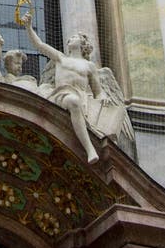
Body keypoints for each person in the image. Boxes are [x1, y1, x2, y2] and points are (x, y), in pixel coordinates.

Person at [23, 14, 105, 163]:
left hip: (80, 96)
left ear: (83, 44)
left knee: (75, 101)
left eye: (74, 37)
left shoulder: (89, 66)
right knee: (73, 101)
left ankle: (89, 147)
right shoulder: (61, 58)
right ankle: (90, 149)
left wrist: (103, 103)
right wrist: (28, 27)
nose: (69, 39)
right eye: (69, 38)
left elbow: (98, 91)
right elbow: (40, 45)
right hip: (60, 94)